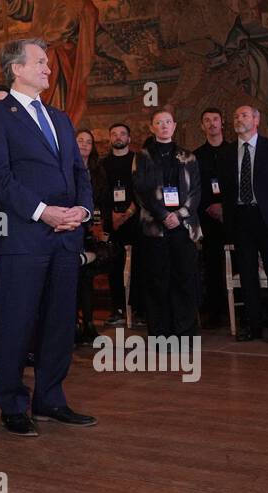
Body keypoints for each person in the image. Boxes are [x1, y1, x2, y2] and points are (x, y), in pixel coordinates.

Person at [0, 38, 96, 437]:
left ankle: (50, 399)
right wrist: (44, 212)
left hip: (65, 238)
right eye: (41, 62)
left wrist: (82, 210)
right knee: (16, 323)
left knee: (60, 323)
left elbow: (80, 172)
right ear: (17, 69)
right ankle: (12, 403)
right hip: (24, 237)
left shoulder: (60, 118)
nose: (48, 68)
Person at [220, 105, 268, 343]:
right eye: (235, 116)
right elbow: (226, 189)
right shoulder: (228, 152)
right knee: (247, 275)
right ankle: (252, 326)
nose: (238, 119)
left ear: (256, 120)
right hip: (241, 219)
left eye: (243, 115)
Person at [132, 110, 202, 337]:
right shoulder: (142, 156)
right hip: (154, 228)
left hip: (183, 228)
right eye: (158, 123)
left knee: (184, 280)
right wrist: (163, 215)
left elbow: (196, 191)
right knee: (157, 282)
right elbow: (140, 190)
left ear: (174, 126)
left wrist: (179, 215)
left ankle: (185, 333)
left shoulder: (188, 156)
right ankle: (160, 334)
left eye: (167, 122)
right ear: (152, 127)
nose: (164, 126)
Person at [193, 108, 231, 328]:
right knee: (212, 264)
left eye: (215, 119)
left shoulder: (234, 151)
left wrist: (225, 207)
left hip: (233, 217)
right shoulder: (196, 155)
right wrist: (210, 206)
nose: (212, 124)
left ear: (222, 122)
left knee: (239, 263)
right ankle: (216, 311)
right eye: (206, 120)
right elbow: (195, 187)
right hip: (208, 217)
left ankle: (241, 311)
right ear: (202, 126)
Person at [102, 123, 143, 327]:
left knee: (139, 264)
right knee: (114, 265)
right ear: (110, 138)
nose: (118, 137)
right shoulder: (103, 164)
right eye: (114, 133)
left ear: (129, 138)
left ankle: (137, 308)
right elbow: (102, 191)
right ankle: (117, 308)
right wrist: (113, 215)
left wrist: (128, 213)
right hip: (113, 221)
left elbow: (142, 189)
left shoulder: (139, 160)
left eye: (122, 134)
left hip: (136, 219)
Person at [75, 128, 110, 343]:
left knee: (87, 279)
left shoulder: (98, 170)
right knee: (72, 278)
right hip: (73, 226)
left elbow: (104, 200)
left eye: (89, 142)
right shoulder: (66, 167)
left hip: (93, 228)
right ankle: (73, 323)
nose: (85, 145)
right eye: (80, 141)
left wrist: (98, 225)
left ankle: (88, 322)